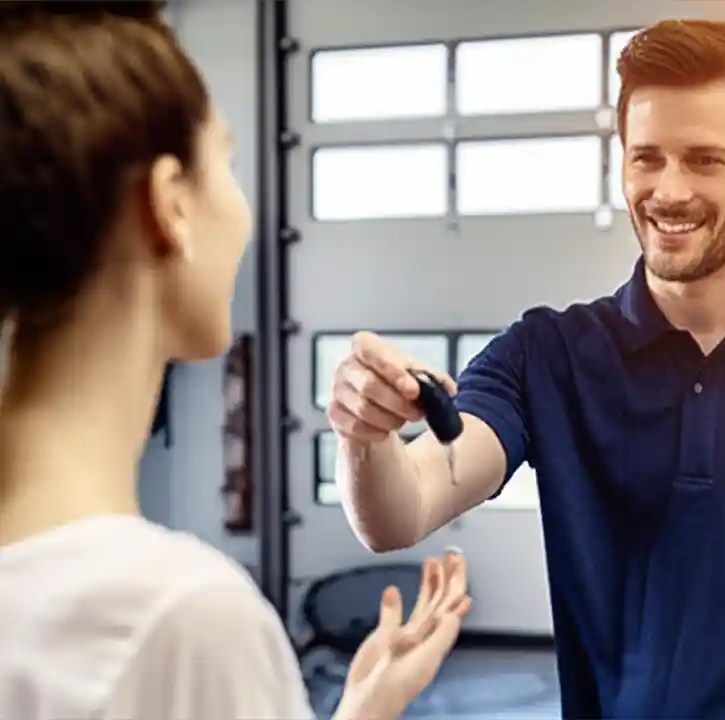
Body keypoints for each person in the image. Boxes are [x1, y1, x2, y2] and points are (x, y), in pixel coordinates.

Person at [330, 18, 725, 720]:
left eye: (703, 159)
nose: (668, 191)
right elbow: (404, 510)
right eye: (647, 158)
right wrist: (365, 437)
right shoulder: (547, 355)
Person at [0, 3, 470, 719]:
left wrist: (359, 707)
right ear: (170, 205)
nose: (241, 205)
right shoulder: (179, 620)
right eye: (224, 159)